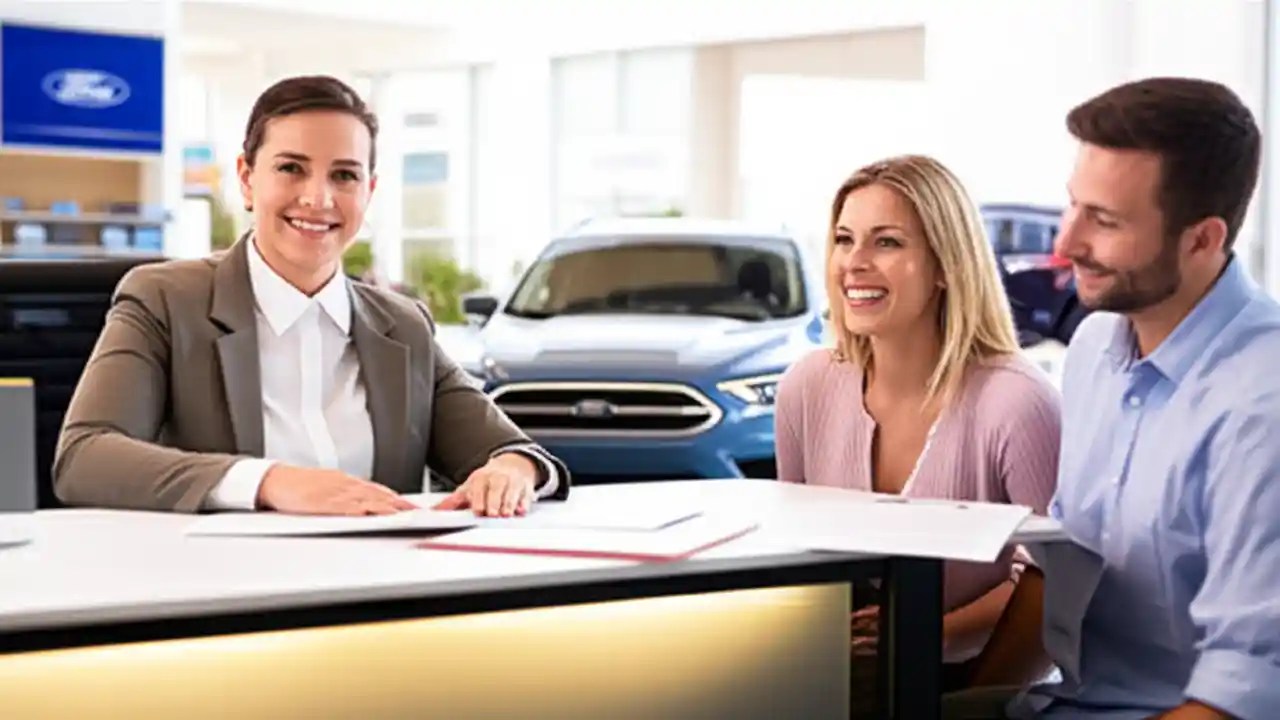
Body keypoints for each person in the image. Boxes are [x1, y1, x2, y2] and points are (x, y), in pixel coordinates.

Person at [53, 75, 569, 517]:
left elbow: (510, 449)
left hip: (378, 599)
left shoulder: (403, 324)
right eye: (291, 168)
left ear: (369, 191)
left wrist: (511, 470)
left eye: (344, 175)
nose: (318, 198)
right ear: (247, 178)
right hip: (222, 599)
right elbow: (85, 457)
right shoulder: (165, 300)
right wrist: (271, 482)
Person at [957, 77, 1280, 720]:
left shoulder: (1260, 402)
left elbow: (1247, 691)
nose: (1065, 244)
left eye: (1103, 221)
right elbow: (1064, 574)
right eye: (1073, 206)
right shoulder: (1096, 346)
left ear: (1202, 239)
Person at [774, 154, 1062, 712]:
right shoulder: (805, 387)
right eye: (843, 239)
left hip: (986, 689)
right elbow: (797, 563)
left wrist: (927, 638)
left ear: (945, 266)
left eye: (887, 243)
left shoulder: (1018, 401)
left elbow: (1055, 588)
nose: (854, 263)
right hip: (837, 683)